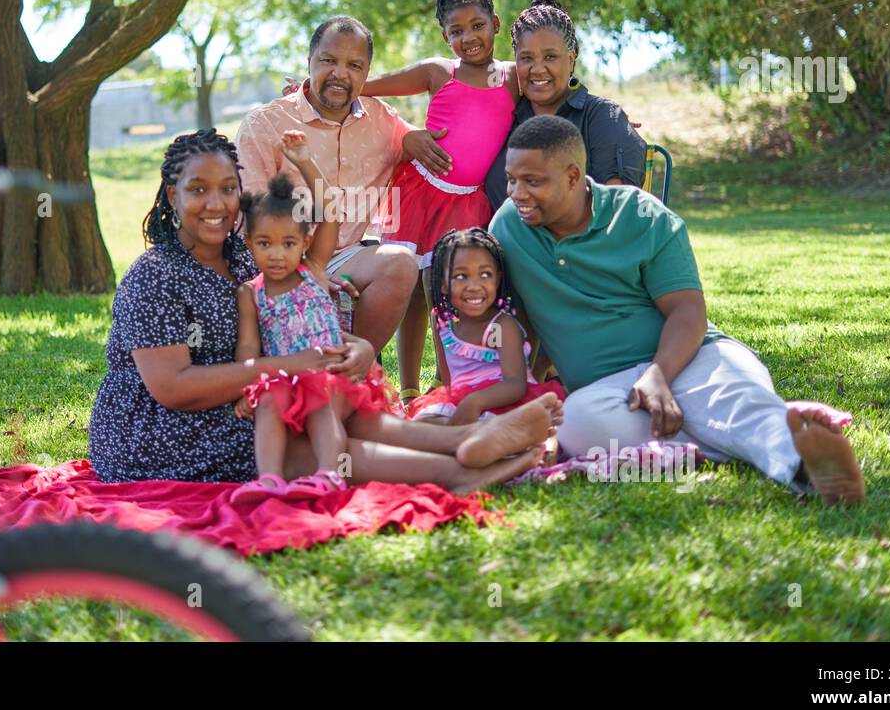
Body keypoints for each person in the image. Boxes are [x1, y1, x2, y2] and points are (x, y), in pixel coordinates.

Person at [88, 128, 561, 492]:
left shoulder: (247, 254)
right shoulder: (154, 276)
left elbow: (296, 313)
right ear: (173, 196)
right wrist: (288, 368)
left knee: (336, 411)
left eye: (228, 189)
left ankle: (472, 444)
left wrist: (348, 348)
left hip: (252, 396)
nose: (216, 204)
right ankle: (458, 474)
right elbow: (173, 388)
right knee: (304, 442)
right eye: (198, 190)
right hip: (160, 431)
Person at [489, 114, 865, 504]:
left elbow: (688, 310)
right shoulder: (508, 228)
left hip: (690, 357)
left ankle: (807, 466)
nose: (517, 192)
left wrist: (659, 374)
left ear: (571, 176)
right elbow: (509, 316)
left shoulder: (640, 215)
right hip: (607, 390)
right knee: (578, 425)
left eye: (533, 181)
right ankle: (727, 440)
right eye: (511, 179)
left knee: (736, 400)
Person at [235, 17, 441, 361]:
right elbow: (247, 220)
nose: (340, 74)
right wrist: (302, 269)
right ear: (309, 61)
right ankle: (321, 371)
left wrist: (419, 138)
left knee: (400, 264)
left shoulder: (384, 121)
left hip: (350, 256)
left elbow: (416, 142)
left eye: (354, 65)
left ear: (367, 72)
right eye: (329, 61)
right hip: (283, 253)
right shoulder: (264, 125)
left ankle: (353, 372)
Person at [361, 0, 518, 401]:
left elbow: (559, 92)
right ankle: (409, 388)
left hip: (467, 203)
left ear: (496, 24)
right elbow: (368, 88)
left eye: (478, 26)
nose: (469, 37)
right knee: (410, 290)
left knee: (443, 294)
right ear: (444, 37)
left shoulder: (514, 78)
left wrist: (613, 120)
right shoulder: (437, 72)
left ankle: (449, 387)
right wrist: (315, 86)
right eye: (456, 31)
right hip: (419, 193)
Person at [234, 133, 396, 501]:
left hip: (331, 374)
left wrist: (305, 161)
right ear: (250, 243)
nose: (277, 255)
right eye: (265, 244)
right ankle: (269, 479)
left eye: (288, 244)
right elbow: (248, 349)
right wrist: (247, 386)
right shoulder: (251, 293)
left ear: (305, 242)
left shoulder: (314, 270)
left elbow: (329, 211)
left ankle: (328, 473)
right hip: (284, 377)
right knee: (268, 404)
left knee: (321, 404)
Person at [483, 0, 647, 212]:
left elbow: (615, 210)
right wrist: (419, 135)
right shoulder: (504, 119)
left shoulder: (601, 117)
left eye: (550, 57)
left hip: (579, 245)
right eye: (527, 58)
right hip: (499, 243)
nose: (538, 69)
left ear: (572, 57)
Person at [407, 227, 567, 425]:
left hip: (505, 404)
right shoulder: (441, 320)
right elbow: (449, 382)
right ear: (442, 284)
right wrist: (453, 408)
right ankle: (467, 441)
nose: (474, 286)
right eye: (461, 276)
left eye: (485, 275)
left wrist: (476, 402)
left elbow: (516, 384)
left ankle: (479, 442)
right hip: (462, 403)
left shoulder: (501, 325)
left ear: (497, 279)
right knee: (422, 422)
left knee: (501, 425)